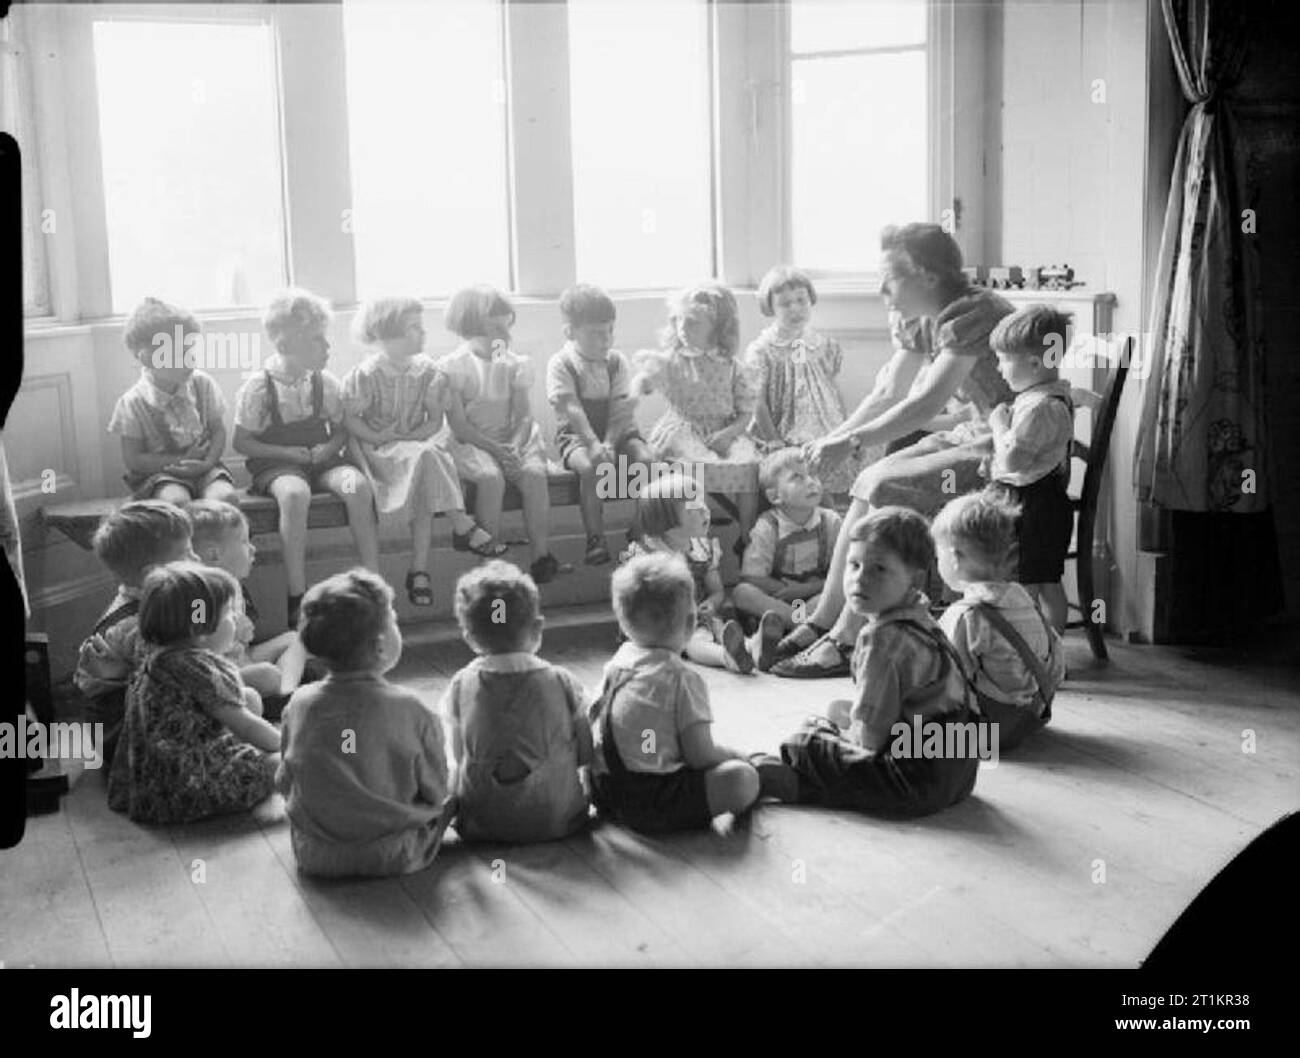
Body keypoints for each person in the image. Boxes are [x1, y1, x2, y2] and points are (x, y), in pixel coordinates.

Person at [773, 223, 1016, 678]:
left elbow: (925, 402)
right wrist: (834, 439)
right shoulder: (923, 317)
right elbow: (889, 392)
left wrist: (850, 441)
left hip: (1008, 444)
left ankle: (846, 640)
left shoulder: (975, 312)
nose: (881, 287)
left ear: (925, 274)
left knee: (885, 482)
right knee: (872, 478)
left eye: (891, 276)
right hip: (971, 433)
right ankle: (825, 623)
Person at [753, 508, 980, 817]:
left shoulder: (884, 640)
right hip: (961, 772)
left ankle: (789, 784)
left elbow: (870, 738)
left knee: (804, 743)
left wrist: (836, 742)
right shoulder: (924, 618)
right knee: (836, 713)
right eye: (854, 565)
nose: (860, 579)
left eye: (879, 569)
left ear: (914, 579)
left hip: (916, 779)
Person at [277, 568, 452, 877]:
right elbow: (436, 790)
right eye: (394, 619)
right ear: (381, 644)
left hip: (314, 854)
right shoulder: (412, 708)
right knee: (460, 792)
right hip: (394, 852)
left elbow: (284, 781)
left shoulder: (299, 704)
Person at [343, 296, 507, 606]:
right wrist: (378, 434)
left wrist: (417, 431)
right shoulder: (366, 374)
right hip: (381, 452)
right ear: (385, 334)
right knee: (429, 457)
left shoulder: (429, 372)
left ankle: (420, 569)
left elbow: (434, 424)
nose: (423, 334)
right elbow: (351, 421)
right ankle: (461, 527)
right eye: (413, 328)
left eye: (421, 327)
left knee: (428, 460)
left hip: (417, 448)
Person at [233, 288, 380, 626]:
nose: (327, 347)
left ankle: (373, 582)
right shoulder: (260, 386)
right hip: (278, 463)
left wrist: (330, 448)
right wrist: (283, 452)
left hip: (322, 459)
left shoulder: (325, 382)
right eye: (317, 340)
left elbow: (343, 428)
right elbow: (242, 442)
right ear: (286, 345)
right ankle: (297, 593)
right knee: (295, 494)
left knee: (356, 485)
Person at [589, 552, 760, 833]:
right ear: (692, 622)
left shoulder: (618, 662)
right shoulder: (681, 678)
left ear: (622, 623)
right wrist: (737, 755)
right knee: (744, 778)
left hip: (605, 790)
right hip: (654, 800)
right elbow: (700, 756)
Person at [107, 562, 280, 824]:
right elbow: (244, 724)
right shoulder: (200, 667)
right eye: (229, 615)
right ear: (198, 627)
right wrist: (288, 744)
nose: (235, 621)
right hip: (190, 787)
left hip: (152, 787)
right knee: (281, 763)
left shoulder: (156, 657)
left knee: (250, 698)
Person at [441, 561, 592, 842]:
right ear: (538, 627)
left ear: (469, 638)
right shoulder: (563, 681)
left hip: (483, 825)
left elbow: (460, 760)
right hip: (558, 820)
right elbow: (586, 755)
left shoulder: (460, 685)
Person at [439, 285, 566, 584]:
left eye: (506, 325)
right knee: (490, 479)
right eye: (495, 327)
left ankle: (541, 555)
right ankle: (489, 564)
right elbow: (458, 425)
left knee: (534, 475)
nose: (503, 334)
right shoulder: (456, 367)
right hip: (473, 441)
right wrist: (496, 450)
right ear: (471, 326)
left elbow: (523, 414)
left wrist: (515, 446)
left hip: (513, 438)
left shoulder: (514, 364)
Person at [632, 282, 762, 546]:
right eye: (678, 320)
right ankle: (689, 535)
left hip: (724, 430)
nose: (682, 327)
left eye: (692, 323)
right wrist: (646, 379)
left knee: (749, 465)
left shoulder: (731, 366)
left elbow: (746, 412)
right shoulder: (672, 360)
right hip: (684, 429)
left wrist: (729, 433)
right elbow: (644, 387)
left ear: (717, 329)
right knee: (690, 467)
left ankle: (747, 535)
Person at [932, 490, 1064, 750]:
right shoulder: (1026, 602)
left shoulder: (964, 615)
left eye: (938, 556)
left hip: (985, 730)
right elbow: (1057, 661)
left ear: (955, 558)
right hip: (1031, 717)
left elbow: (945, 678)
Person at [74, 500, 198, 768]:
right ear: (154, 573)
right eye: (187, 554)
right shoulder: (139, 625)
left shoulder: (150, 601)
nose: (197, 560)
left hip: (130, 723)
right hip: (123, 741)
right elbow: (184, 679)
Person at [984, 304, 1078, 633]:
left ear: (1035, 363)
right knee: (1043, 583)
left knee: (1035, 586)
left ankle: (1044, 651)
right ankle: (1043, 651)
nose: (998, 368)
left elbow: (1013, 460)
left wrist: (998, 426)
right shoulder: (1051, 396)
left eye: (1004, 359)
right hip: (1038, 501)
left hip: (1036, 507)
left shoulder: (1039, 408)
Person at [745, 265, 875, 499]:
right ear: (771, 307)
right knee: (795, 463)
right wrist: (773, 438)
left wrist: (846, 424)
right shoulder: (763, 350)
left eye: (801, 300)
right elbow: (757, 400)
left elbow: (833, 389)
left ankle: (830, 517)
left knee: (854, 450)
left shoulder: (822, 346)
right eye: (785, 304)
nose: (795, 308)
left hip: (824, 421)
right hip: (782, 427)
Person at [547, 283, 655, 565]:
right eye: (595, 333)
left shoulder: (616, 362)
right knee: (594, 468)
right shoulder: (562, 363)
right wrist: (594, 444)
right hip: (579, 436)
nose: (605, 340)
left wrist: (608, 441)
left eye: (609, 331)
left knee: (645, 460)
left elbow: (620, 409)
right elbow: (571, 407)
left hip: (617, 431)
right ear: (570, 332)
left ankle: (640, 528)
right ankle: (596, 537)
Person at [620, 471, 754, 674]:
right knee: (694, 642)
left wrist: (712, 603)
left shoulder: (702, 548)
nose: (704, 510)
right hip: (661, 625)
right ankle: (726, 658)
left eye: (703, 502)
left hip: (700, 618)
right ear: (668, 523)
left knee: (721, 629)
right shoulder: (648, 555)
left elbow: (716, 590)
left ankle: (754, 647)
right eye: (693, 506)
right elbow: (637, 600)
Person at [108, 297, 236, 504]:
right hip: (161, 476)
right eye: (179, 354)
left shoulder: (202, 385)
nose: (190, 360)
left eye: (190, 350)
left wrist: (208, 462)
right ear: (147, 358)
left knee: (225, 497)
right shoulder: (134, 402)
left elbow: (218, 430)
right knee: (176, 501)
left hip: (206, 468)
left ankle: (222, 536)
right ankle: (185, 537)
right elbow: (133, 459)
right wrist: (181, 461)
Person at [733, 448, 843, 671]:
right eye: (797, 477)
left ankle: (781, 635)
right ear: (775, 496)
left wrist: (805, 589)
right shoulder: (767, 526)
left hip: (813, 596)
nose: (811, 482)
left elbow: (839, 571)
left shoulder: (830, 521)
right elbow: (752, 577)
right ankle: (800, 627)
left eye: (813, 475)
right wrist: (785, 590)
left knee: (835, 594)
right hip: (779, 599)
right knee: (741, 592)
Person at [186, 499, 307, 700]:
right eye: (243, 542)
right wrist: (233, 628)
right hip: (217, 672)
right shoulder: (197, 595)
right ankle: (279, 697)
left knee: (295, 638)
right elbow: (197, 644)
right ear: (214, 554)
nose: (252, 549)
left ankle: (286, 692)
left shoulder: (233, 584)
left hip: (243, 658)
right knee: (267, 675)